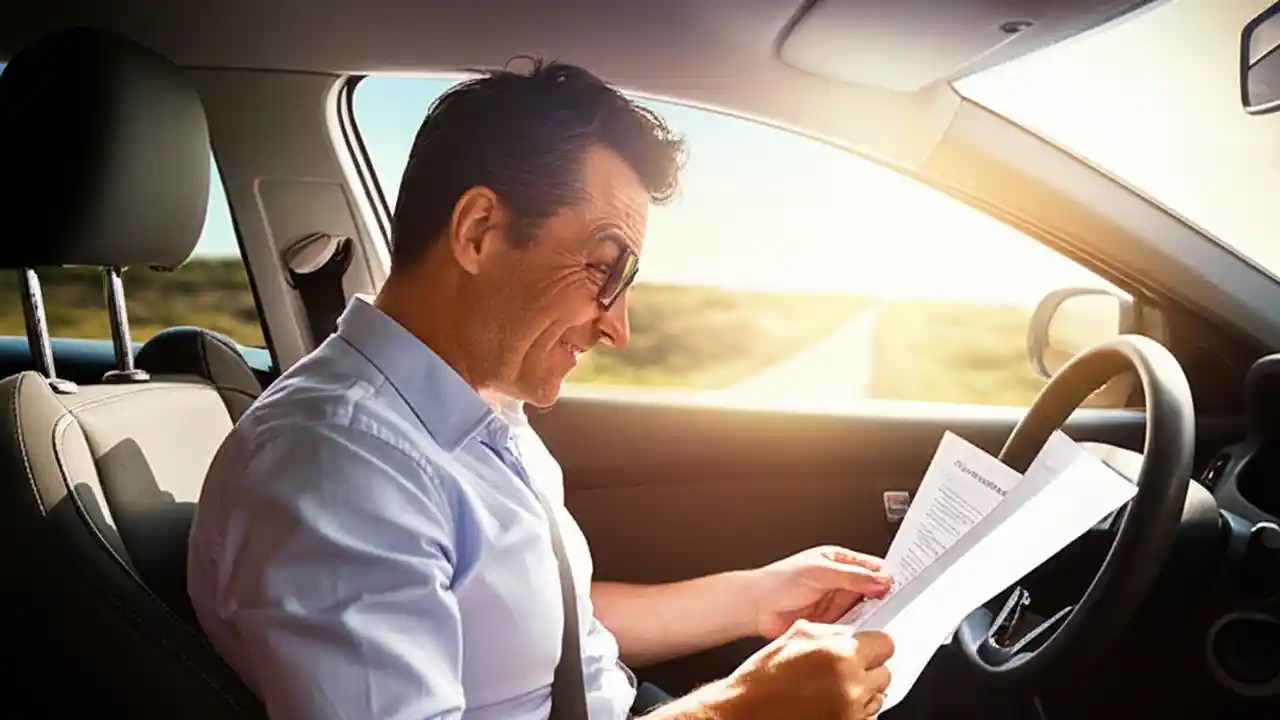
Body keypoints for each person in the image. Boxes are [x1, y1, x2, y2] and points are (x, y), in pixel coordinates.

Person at [187, 60, 899, 719]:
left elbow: (537, 630)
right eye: (603, 269)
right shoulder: (335, 467)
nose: (618, 327)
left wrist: (756, 598)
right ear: (478, 232)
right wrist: (737, 710)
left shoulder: (475, 407)